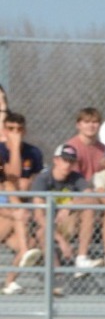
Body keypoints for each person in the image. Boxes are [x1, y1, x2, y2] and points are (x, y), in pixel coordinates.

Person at [0, 113, 47, 293]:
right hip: (4, 215)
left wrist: (20, 210)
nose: (15, 133)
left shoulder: (33, 153)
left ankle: (9, 282)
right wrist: (14, 148)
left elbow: (30, 185)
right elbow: (13, 175)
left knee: (29, 244)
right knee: (17, 215)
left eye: (19, 130)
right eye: (11, 129)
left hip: (15, 215)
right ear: (4, 130)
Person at [64, 107, 105, 179]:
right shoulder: (70, 148)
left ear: (100, 125)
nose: (91, 125)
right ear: (78, 125)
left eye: (94, 122)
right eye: (86, 122)